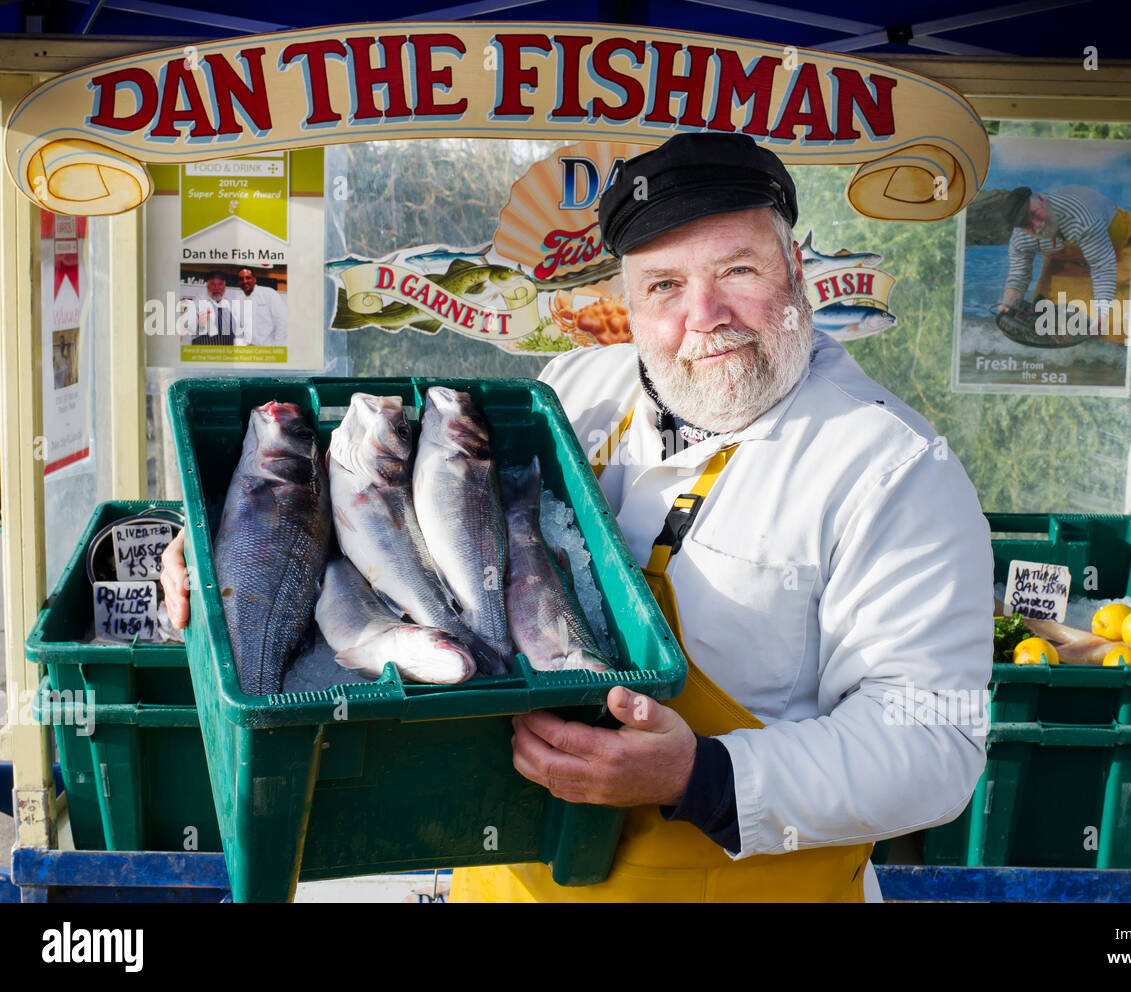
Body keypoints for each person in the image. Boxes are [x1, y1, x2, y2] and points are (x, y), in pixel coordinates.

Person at [162, 133, 993, 903]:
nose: (702, 315)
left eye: (737, 271)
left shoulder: (893, 469)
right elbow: (364, 504)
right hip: (510, 882)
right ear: (627, 304)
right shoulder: (577, 392)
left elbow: (934, 745)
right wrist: (222, 553)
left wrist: (698, 775)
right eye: (664, 286)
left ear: (797, 275)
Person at [994, 185, 1131, 339]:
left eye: (1035, 214)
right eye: (1027, 225)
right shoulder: (1021, 238)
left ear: (1042, 200)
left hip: (1117, 247)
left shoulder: (1080, 217)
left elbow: (1102, 267)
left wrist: (1102, 313)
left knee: (1116, 325)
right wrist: (1006, 306)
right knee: (1048, 319)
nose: (1036, 225)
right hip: (1068, 260)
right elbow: (1018, 276)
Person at [234, 266, 287, 347]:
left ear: (255, 279)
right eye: (241, 279)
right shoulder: (238, 299)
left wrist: (277, 347)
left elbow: (282, 322)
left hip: (269, 349)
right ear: (238, 282)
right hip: (249, 352)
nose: (245, 281)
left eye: (248, 278)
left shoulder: (269, 294)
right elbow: (238, 328)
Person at [190, 271, 238, 346]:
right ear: (207, 287)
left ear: (224, 287)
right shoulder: (198, 304)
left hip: (227, 354)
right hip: (204, 354)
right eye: (213, 284)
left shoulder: (230, 305)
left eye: (220, 284)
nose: (216, 288)